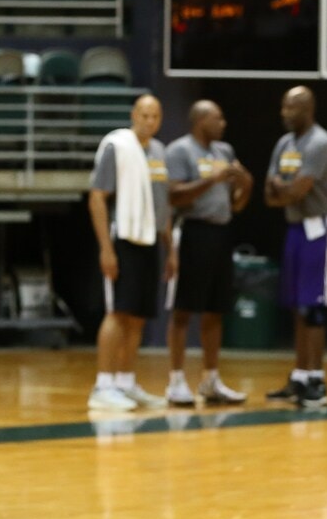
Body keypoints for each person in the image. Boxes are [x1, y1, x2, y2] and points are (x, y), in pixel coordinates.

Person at [87, 95, 175, 412]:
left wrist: (171, 249)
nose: (149, 121)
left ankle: (125, 382)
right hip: (122, 238)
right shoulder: (117, 147)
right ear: (133, 116)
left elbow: (163, 205)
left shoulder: (160, 152)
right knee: (117, 313)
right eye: (144, 115)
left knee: (137, 316)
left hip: (150, 239)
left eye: (155, 116)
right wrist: (106, 250)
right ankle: (103, 385)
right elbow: (97, 199)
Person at [164, 100, 251, 407]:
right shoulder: (179, 150)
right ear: (201, 121)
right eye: (218, 117)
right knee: (184, 309)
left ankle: (210, 379)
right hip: (192, 232)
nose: (223, 123)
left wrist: (245, 184)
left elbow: (235, 203)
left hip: (221, 232)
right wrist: (212, 179)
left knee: (216, 309)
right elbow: (174, 195)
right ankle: (176, 380)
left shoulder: (224, 152)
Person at [263, 86, 327, 409]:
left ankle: (316, 380)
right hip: (296, 227)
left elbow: (299, 190)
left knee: (314, 306)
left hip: (320, 227)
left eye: (290, 108)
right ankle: (299, 376)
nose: (284, 113)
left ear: (308, 109)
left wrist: (284, 189)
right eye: (283, 107)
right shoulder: (285, 144)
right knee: (298, 304)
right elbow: (272, 195)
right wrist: (285, 190)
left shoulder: (320, 142)